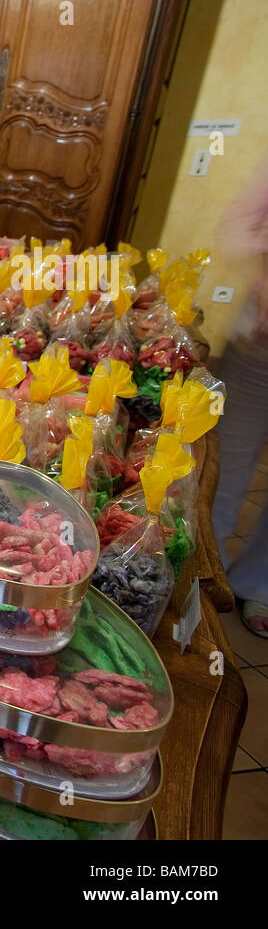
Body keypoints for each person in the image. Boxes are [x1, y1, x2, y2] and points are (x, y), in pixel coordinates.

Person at [213, 151, 268, 636]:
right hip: (260, 343)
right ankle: (206, 588)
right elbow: (233, 231)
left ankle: (260, 586)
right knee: (224, 468)